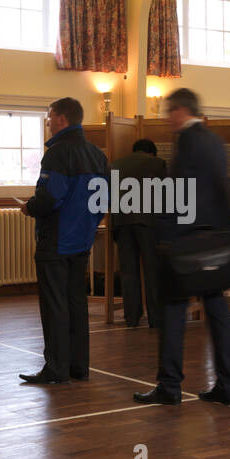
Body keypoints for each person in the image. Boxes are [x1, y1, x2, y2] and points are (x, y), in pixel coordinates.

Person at [134, 88, 230, 406]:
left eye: (169, 112)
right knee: (218, 311)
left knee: (172, 311)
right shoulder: (215, 142)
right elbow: (221, 191)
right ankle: (228, 384)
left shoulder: (188, 142)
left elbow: (181, 194)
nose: (167, 119)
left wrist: (166, 237)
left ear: (181, 110)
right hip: (216, 239)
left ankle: (169, 384)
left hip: (187, 241)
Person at [19, 97, 108, 385]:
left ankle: (56, 368)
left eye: (49, 117)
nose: (47, 122)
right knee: (76, 303)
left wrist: (29, 207)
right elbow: (102, 200)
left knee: (54, 305)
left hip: (56, 240)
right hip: (82, 240)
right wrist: (90, 226)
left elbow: (49, 197)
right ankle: (79, 367)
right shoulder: (97, 154)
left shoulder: (58, 153)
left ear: (61, 120)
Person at [110, 138, 167, 328]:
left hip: (122, 222)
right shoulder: (158, 164)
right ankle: (156, 318)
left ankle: (131, 317)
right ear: (152, 152)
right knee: (152, 271)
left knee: (128, 272)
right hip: (148, 223)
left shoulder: (115, 165)